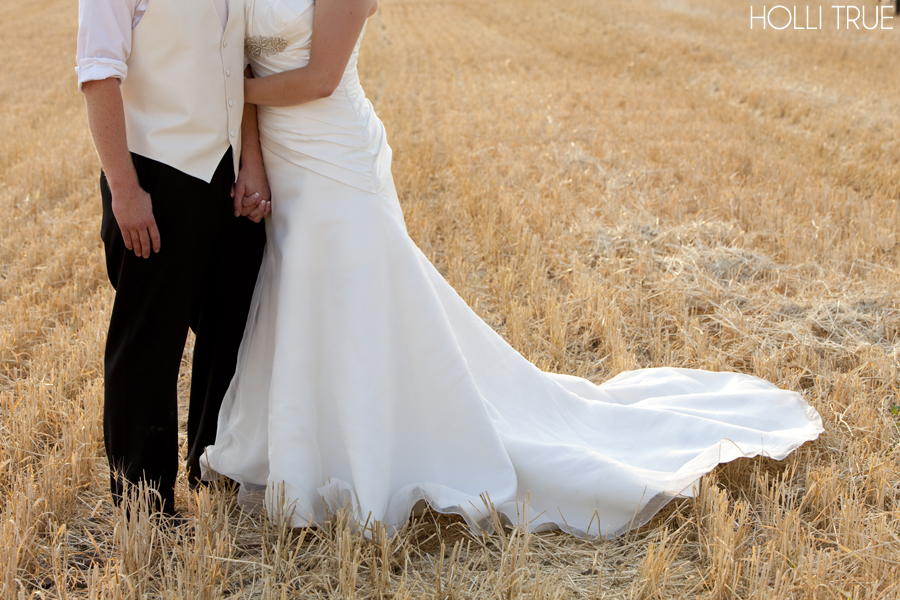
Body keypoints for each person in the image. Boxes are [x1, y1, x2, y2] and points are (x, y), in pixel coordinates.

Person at [201, 0, 823, 538]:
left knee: (362, 302)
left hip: (335, 156)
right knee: (302, 298)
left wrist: (224, 89)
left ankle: (374, 462)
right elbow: (249, 60)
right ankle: (309, 455)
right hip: (283, 160)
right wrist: (249, 151)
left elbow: (320, 78)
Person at [77, 0, 270, 517]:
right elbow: (98, 74)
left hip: (225, 175)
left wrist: (250, 162)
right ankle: (144, 506)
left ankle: (213, 464)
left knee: (231, 325)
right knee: (148, 342)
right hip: (155, 176)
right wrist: (124, 189)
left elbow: (239, 68)